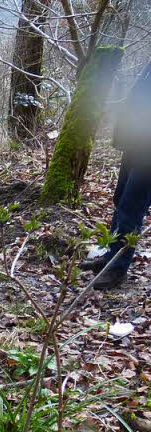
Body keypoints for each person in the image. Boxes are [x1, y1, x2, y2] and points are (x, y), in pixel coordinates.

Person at [82, 61, 151, 289]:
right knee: (120, 199)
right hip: (136, 142)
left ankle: (118, 268)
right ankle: (111, 255)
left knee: (131, 206)